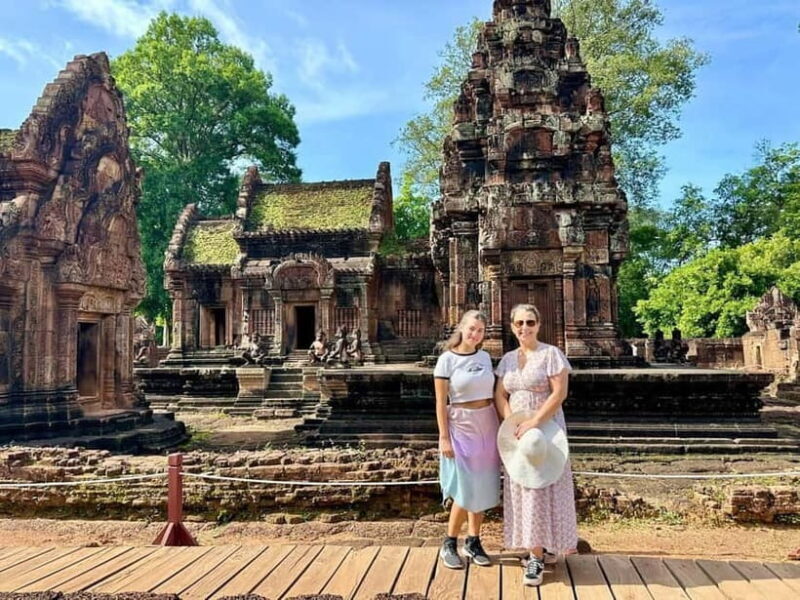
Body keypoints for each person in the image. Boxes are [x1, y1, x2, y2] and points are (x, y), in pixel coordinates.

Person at [494, 303, 578, 587]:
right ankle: (535, 547)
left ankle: (538, 555)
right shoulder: (507, 359)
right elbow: (500, 395)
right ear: (512, 326)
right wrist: (513, 423)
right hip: (519, 435)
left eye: (530, 322)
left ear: (539, 325)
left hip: (546, 431)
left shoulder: (550, 354)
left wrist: (534, 422)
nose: (524, 328)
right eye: (519, 323)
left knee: (545, 487)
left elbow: (560, 393)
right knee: (524, 486)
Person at [433, 310, 501, 569]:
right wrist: (444, 438)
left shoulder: (484, 357)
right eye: (471, 328)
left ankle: (473, 541)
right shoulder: (446, 361)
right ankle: (449, 542)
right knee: (465, 486)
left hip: (488, 422)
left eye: (480, 330)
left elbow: (495, 393)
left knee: (482, 483)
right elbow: (440, 403)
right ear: (461, 328)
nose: (475, 334)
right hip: (460, 424)